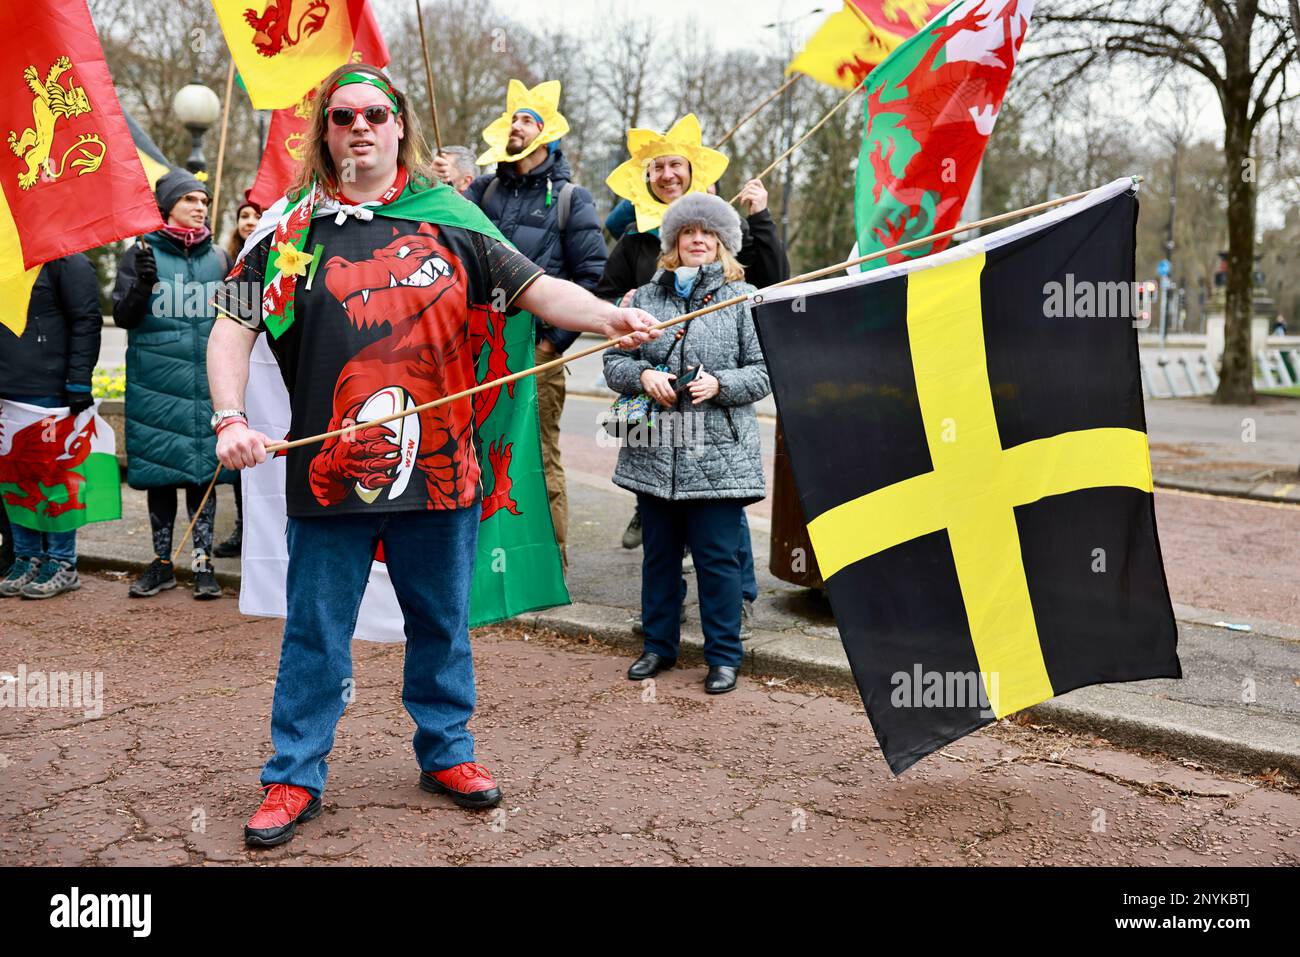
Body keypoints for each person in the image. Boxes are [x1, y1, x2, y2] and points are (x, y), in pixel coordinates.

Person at [206, 63, 658, 849]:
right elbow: (231, 330)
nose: (360, 128)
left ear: (400, 124)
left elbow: (543, 292)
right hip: (331, 476)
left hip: (443, 469)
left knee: (442, 624)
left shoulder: (453, 216)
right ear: (326, 133)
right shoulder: (291, 228)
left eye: (375, 114)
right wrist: (229, 418)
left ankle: (447, 751)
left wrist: (611, 318)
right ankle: (293, 773)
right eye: (343, 117)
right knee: (315, 631)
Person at [599, 114, 787, 633]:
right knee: (659, 530)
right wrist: (624, 310)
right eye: (656, 167)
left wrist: (762, 217)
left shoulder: (725, 235)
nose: (666, 174)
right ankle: (661, 620)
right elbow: (606, 299)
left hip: (711, 416)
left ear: (692, 171)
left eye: (675, 165)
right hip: (653, 409)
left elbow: (772, 282)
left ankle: (733, 608)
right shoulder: (633, 236)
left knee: (720, 526)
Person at [434, 79, 607, 571]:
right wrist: (447, 187)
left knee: (536, 457)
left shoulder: (572, 199)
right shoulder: (483, 192)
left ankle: (546, 564)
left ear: (548, 136)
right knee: (470, 449)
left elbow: (591, 276)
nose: (516, 126)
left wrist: (551, 345)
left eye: (528, 120)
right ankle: (474, 562)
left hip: (536, 355)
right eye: (513, 119)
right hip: (477, 351)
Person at [603, 193, 770, 695]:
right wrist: (644, 375)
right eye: (688, 232)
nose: (698, 239)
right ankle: (658, 646)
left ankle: (723, 656)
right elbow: (613, 365)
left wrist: (720, 384)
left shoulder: (745, 297)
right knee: (659, 554)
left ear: (722, 244)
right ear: (672, 242)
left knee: (718, 558)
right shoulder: (643, 300)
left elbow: (764, 373)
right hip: (654, 446)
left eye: (708, 233)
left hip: (717, 452)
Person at [112, 168, 229, 600]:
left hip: (206, 382)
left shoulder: (219, 258)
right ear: (167, 208)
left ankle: (203, 564)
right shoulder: (138, 253)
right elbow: (124, 316)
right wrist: (142, 284)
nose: (200, 208)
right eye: (190, 201)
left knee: (204, 475)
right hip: (157, 384)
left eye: (204, 202)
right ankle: (161, 563)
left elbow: (240, 317)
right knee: (161, 474)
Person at [0, 255, 102, 599]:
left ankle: (62, 562)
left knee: (55, 481)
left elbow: (87, 320)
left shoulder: (67, 258)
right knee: (15, 478)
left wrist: (78, 382)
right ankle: (27, 557)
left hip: (50, 390)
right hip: (8, 390)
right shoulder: (6, 254)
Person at [214, 192, 263, 560]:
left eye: (255, 215)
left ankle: (253, 527)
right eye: (243, 215)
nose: (249, 220)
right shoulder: (224, 261)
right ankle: (242, 528)